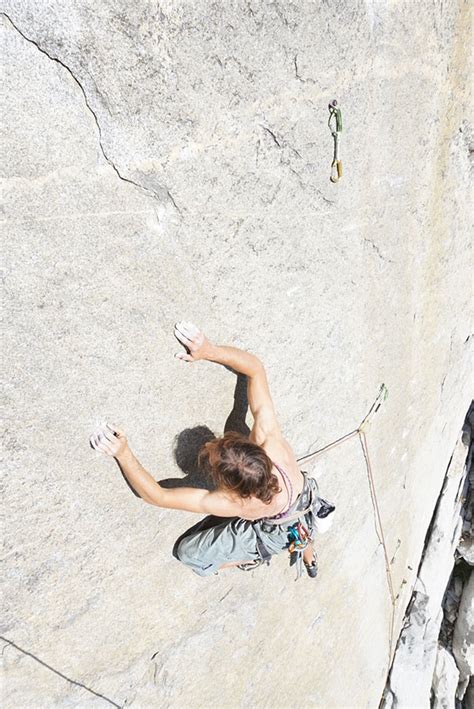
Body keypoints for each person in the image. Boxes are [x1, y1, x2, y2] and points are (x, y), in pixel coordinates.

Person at [90, 321, 334, 578]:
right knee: (297, 521)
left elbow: (156, 496)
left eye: (212, 457)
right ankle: (305, 541)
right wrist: (208, 350)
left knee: (188, 553)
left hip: (274, 528)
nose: (208, 446)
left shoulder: (233, 504)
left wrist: (123, 453)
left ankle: (251, 558)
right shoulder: (270, 440)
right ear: (254, 447)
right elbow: (255, 370)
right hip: (303, 497)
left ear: (228, 487)